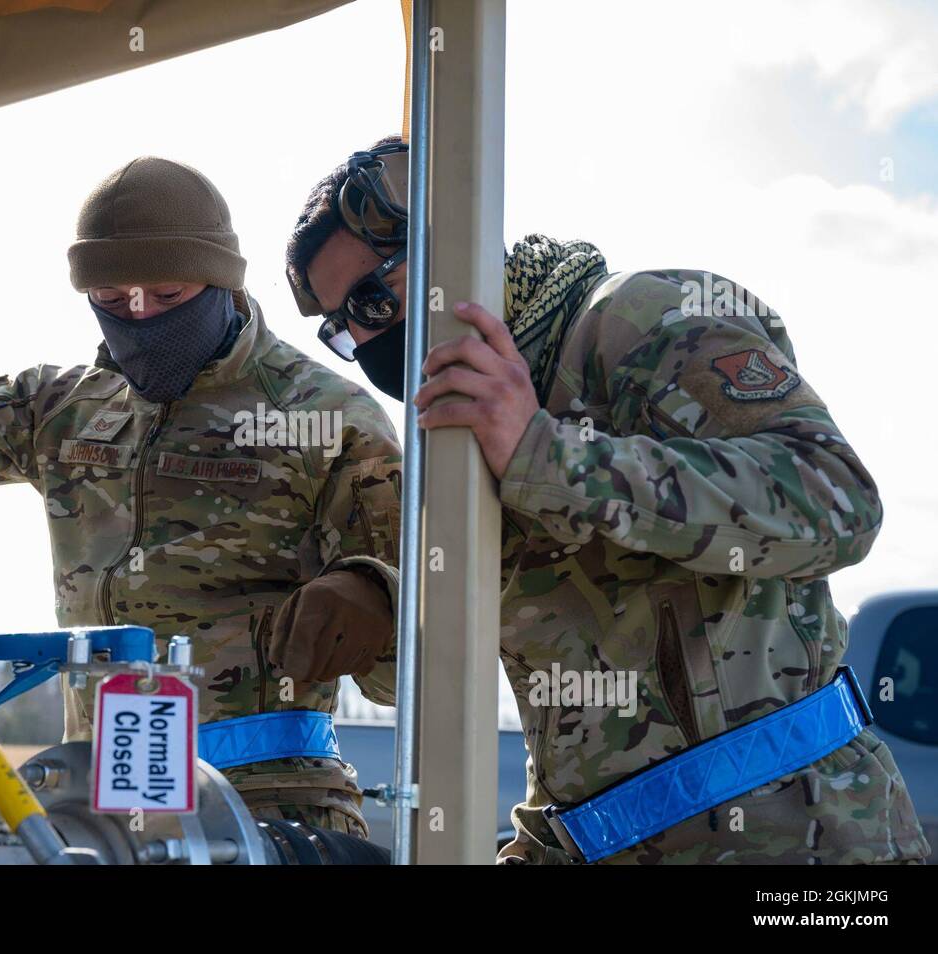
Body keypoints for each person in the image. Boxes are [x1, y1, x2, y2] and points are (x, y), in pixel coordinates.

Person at [283, 136, 930, 863]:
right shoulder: (458, 431)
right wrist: (380, 598)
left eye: (373, 300)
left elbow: (835, 502)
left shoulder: (636, 319)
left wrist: (543, 454)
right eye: (345, 327)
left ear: (448, 248)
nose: (368, 337)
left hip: (799, 846)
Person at [0, 155, 402, 836]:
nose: (139, 315)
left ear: (223, 282)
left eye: (168, 296)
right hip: (104, 809)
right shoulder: (63, 409)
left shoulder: (327, 417)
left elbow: (427, 646)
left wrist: (379, 590)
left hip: (272, 808)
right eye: (113, 300)